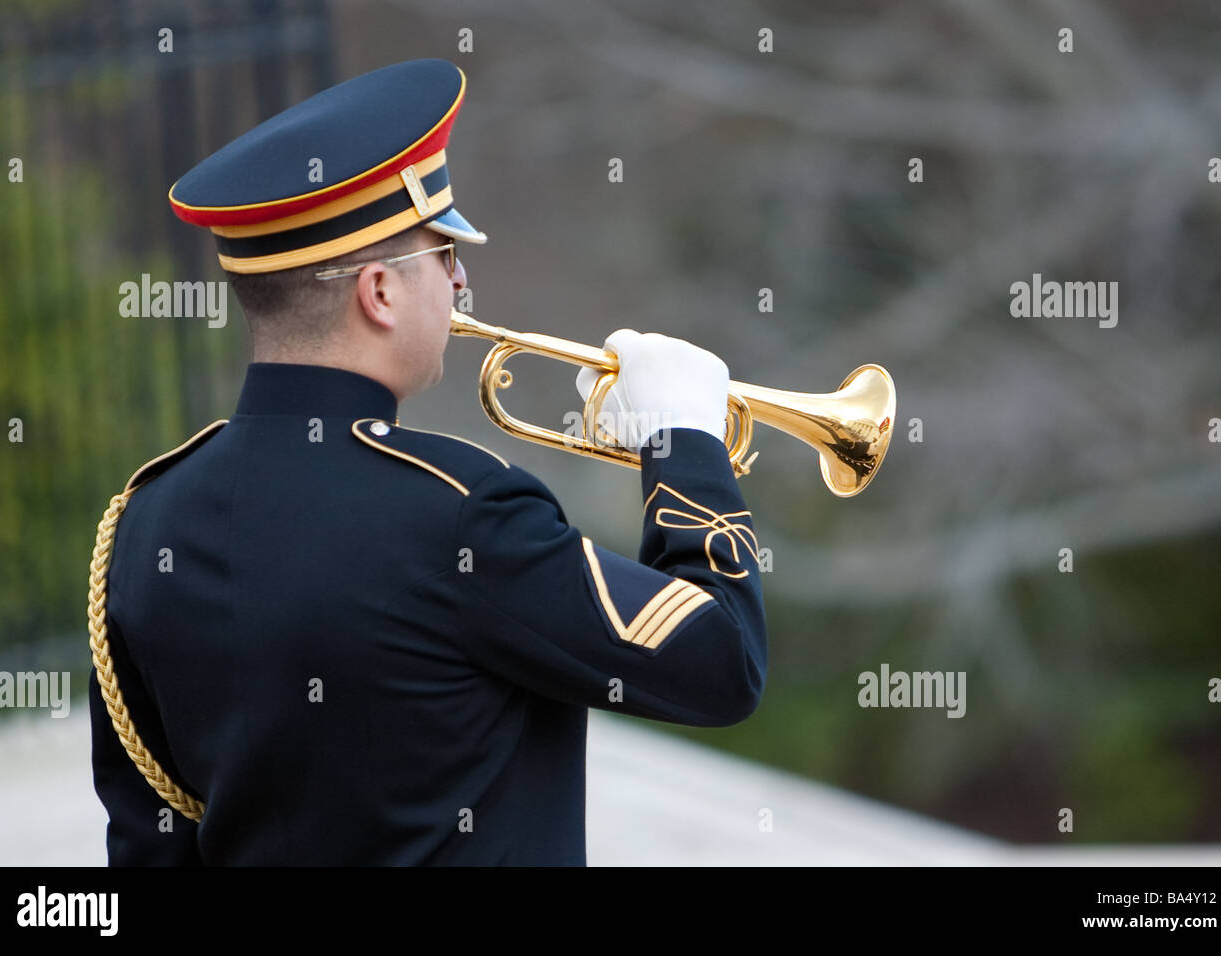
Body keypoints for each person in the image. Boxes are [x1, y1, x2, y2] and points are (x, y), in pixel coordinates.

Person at [88, 58, 767, 866]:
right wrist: (682, 443)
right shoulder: (465, 513)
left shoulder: (142, 523)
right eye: (445, 253)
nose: (463, 276)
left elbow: (147, 845)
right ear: (378, 292)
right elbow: (722, 662)